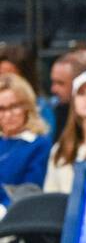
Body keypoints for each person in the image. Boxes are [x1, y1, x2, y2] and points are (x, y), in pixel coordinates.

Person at [0, 73, 52, 204]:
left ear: (26, 107)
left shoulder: (39, 144)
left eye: (14, 106)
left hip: (15, 215)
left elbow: (31, 191)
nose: (8, 115)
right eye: (1, 109)